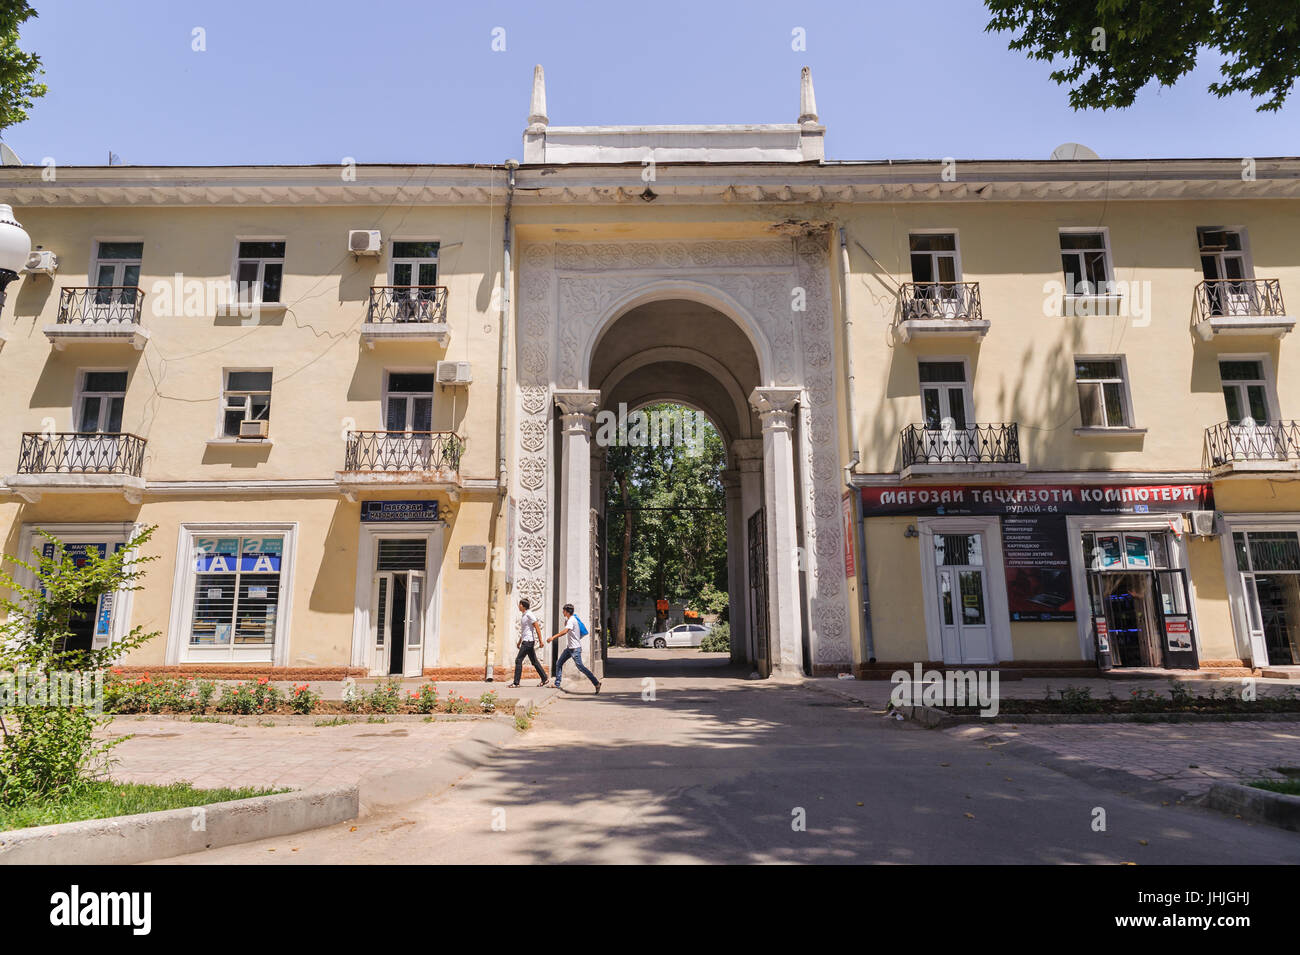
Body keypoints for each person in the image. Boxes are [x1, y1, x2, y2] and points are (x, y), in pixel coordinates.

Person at [547, 603, 601, 694]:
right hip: (570, 648)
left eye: (563, 610)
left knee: (581, 667)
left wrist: (553, 637)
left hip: (575, 649)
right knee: (559, 663)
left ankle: (596, 683)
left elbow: (565, 632)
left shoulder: (571, 620)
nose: (562, 612)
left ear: (567, 612)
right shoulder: (572, 619)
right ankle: (557, 683)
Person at [509, 597, 548, 688]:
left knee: (518, 660)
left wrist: (541, 641)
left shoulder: (529, 614)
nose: (518, 606)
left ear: (523, 606)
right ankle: (544, 678)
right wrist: (519, 642)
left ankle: (516, 683)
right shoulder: (524, 615)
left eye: (519, 604)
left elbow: (537, 627)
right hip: (527, 641)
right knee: (534, 661)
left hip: (528, 642)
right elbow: (524, 631)